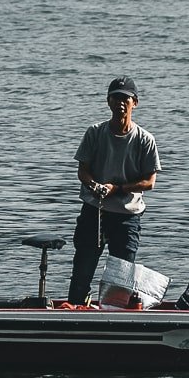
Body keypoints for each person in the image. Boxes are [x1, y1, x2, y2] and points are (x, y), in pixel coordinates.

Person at [67, 76, 161, 306]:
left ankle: (115, 314)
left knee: (121, 278)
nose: (120, 103)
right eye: (116, 97)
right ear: (108, 101)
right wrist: (94, 186)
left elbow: (150, 181)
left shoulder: (144, 139)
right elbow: (83, 171)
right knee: (82, 272)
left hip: (127, 216)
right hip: (94, 211)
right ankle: (75, 310)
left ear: (134, 103)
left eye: (125, 98)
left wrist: (118, 188)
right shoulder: (95, 133)